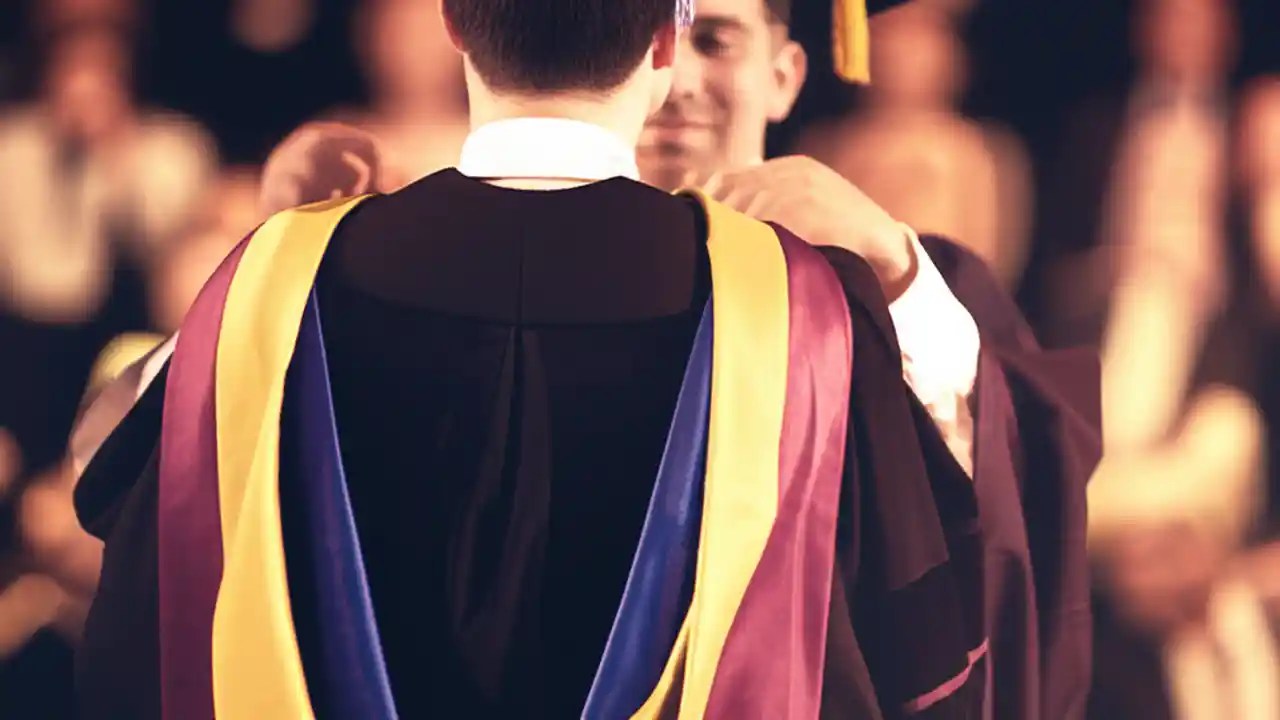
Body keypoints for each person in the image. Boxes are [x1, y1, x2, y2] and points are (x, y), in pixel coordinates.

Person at [75, 2, 1100, 720]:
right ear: (660, 39)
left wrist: (266, 264)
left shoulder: (286, 278)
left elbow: (124, 492)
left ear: (450, 23)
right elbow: (940, 614)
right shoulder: (812, 317)